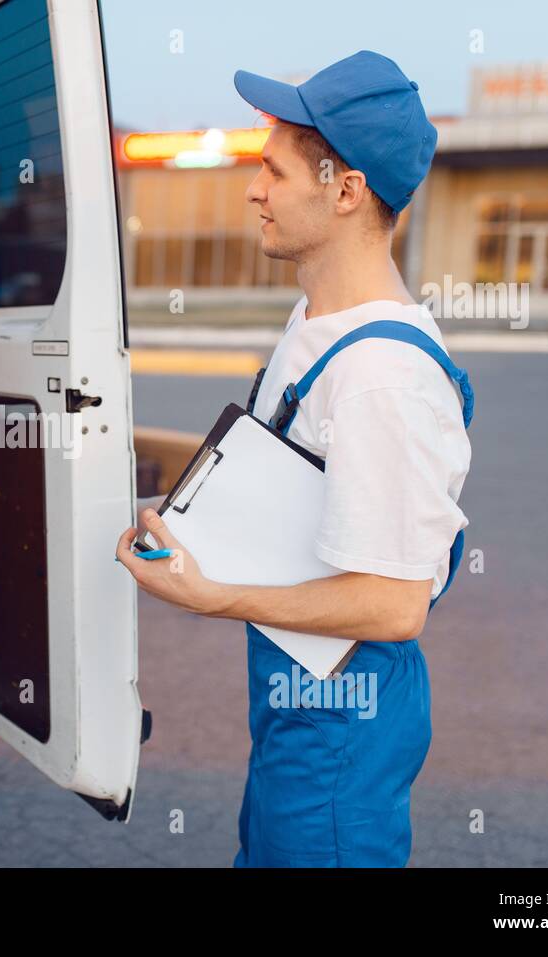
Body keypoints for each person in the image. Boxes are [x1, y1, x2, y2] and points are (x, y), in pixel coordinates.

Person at [115, 51, 473, 867]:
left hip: (342, 726)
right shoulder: (317, 319)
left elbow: (393, 605)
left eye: (274, 170)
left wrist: (209, 595)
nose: (253, 188)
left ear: (345, 190)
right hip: (297, 701)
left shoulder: (383, 377)